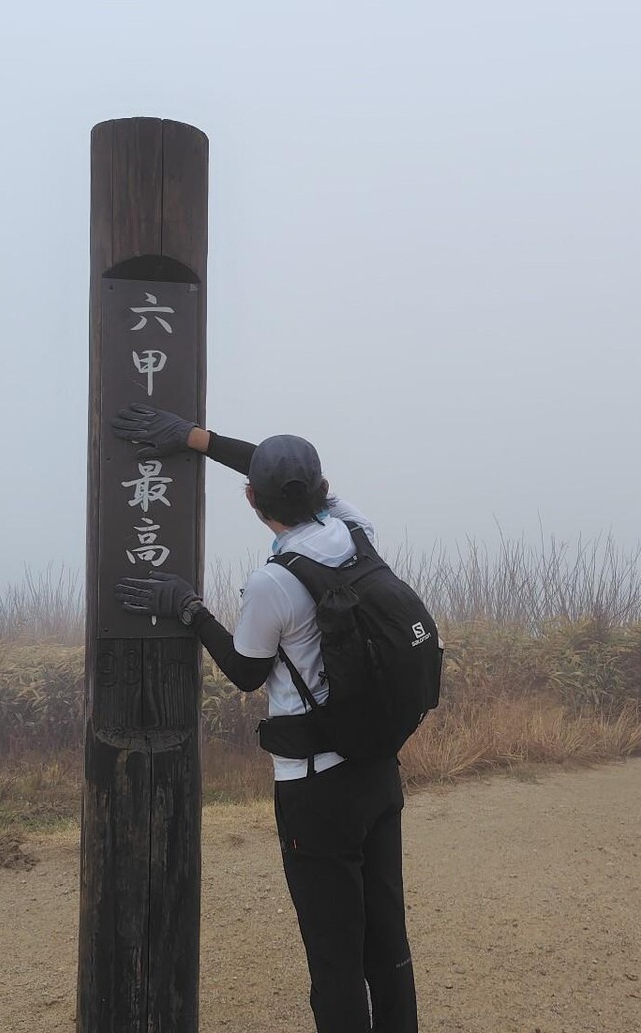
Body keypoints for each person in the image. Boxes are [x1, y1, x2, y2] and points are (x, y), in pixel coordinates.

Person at [110, 402, 419, 1033]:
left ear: (252, 500)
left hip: (314, 789)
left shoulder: (272, 583)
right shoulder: (355, 530)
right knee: (388, 941)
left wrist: (188, 608)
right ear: (323, 488)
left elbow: (248, 671)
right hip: (377, 770)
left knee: (333, 956)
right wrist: (198, 439)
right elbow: (280, 472)